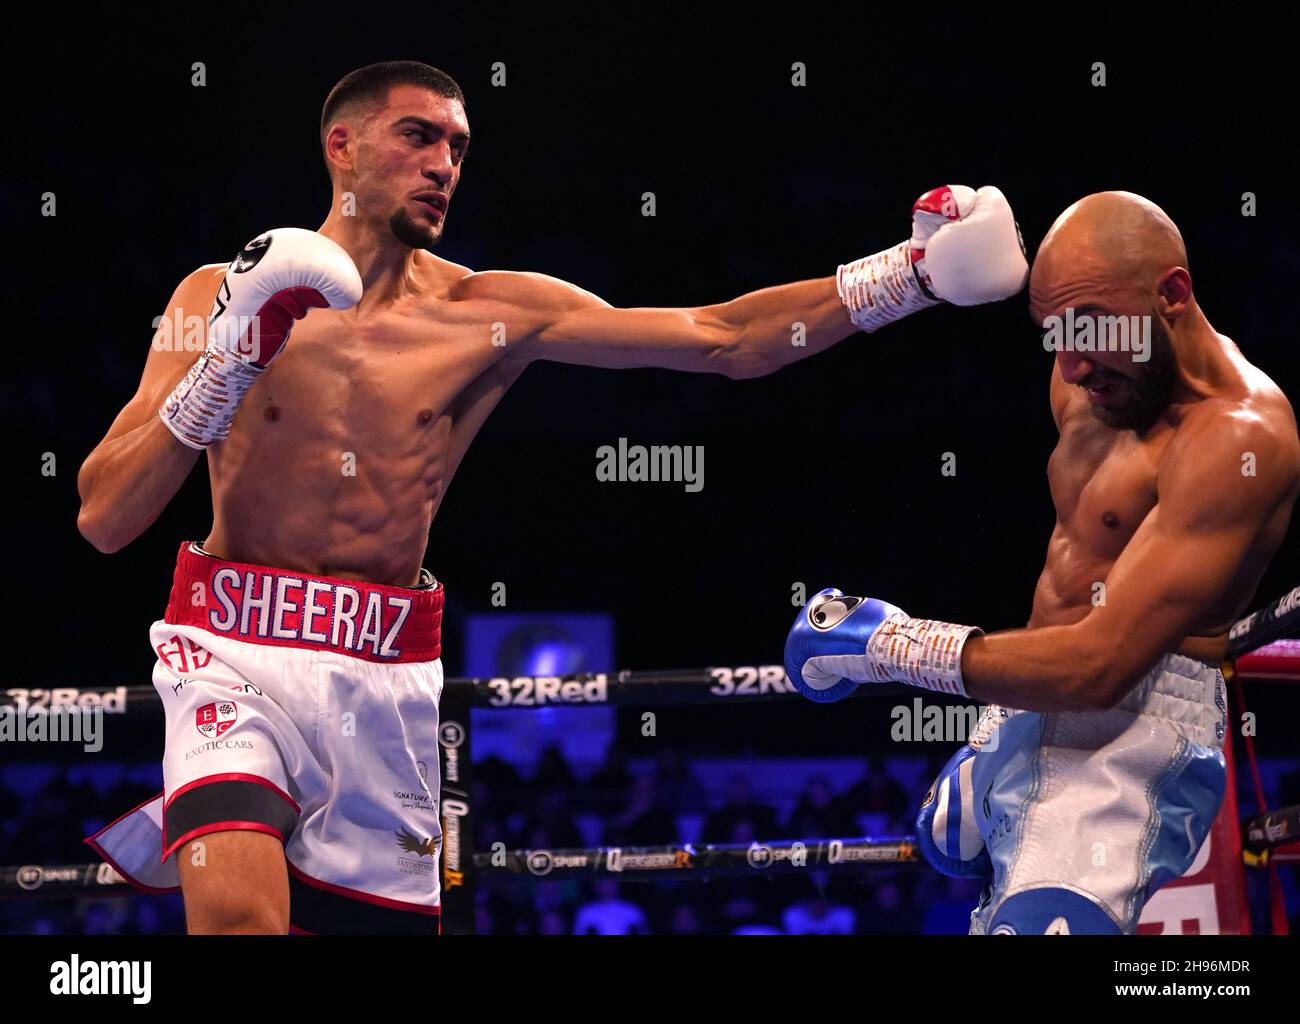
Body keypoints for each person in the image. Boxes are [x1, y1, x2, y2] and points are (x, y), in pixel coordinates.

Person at [77, 60, 1026, 934]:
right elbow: (105, 516)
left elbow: (720, 337)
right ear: (343, 147)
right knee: (239, 923)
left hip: (384, 672)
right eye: (418, 136)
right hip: (230, 651)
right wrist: (225, 365)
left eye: (458, 146)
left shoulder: (487, 311)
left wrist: (908, 277)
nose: (444, 163)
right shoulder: (217, 291)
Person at [785, 191, 1300, 933]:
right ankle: (1000, 767)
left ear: (1173, 295)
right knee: (948, 838)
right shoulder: (1097, 369)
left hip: (1133, 726)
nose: (1070, 364)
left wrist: (888, 643)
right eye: (1053, 333)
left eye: (1088, 329)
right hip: (1037, 689)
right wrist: (928, 270)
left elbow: (1099, 669)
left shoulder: (1236, 440)